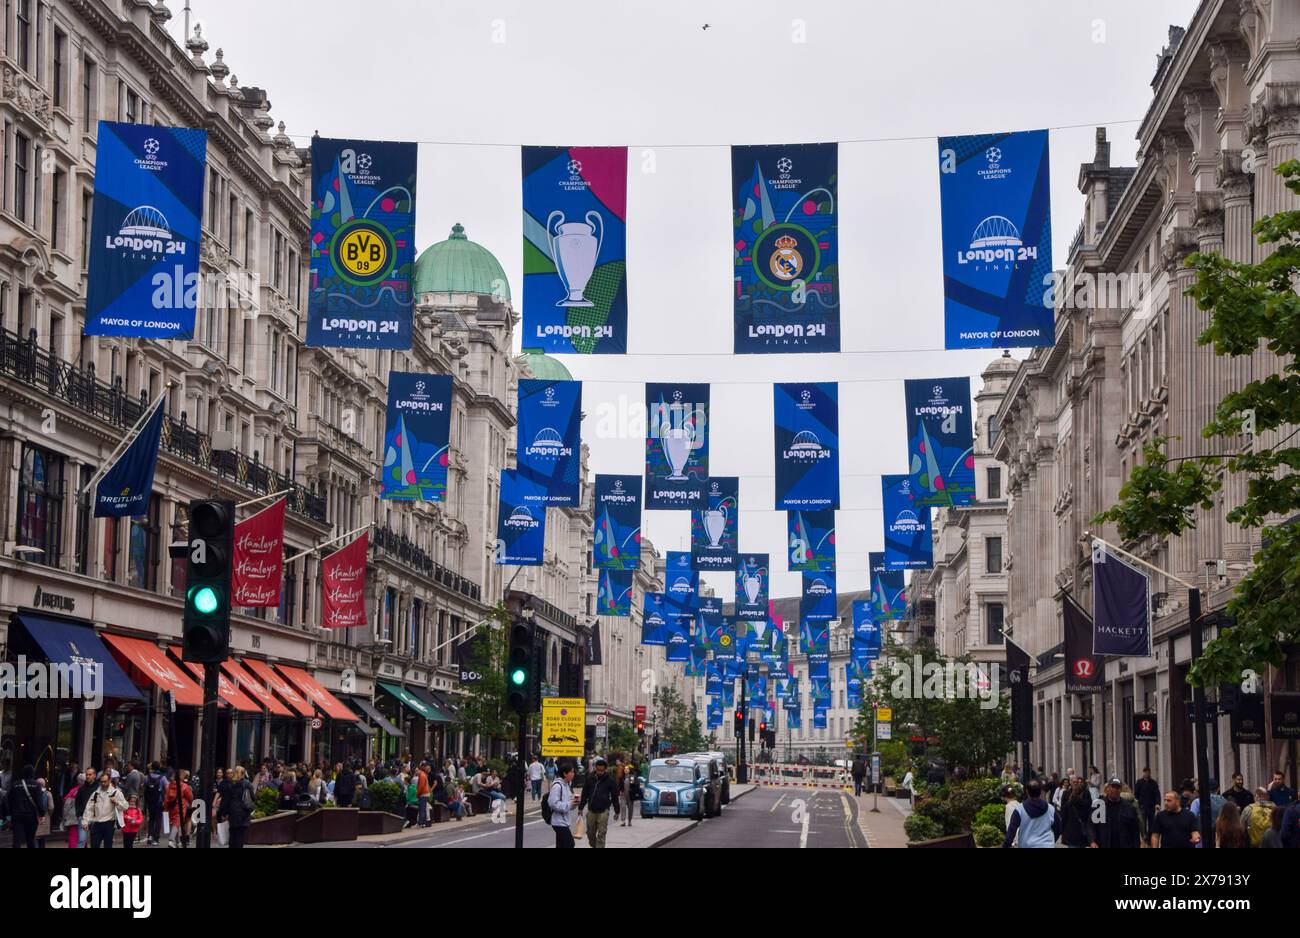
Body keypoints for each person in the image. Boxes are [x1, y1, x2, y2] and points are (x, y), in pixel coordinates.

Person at [1002, 780, 1060, 848]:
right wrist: (1050, 841)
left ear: (1027, 791)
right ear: (1041, 791)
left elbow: (1011, 831)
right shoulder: (1051, 809)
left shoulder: (1019, 810)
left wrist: (1006, 846)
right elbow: (1058, 829)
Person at [578, 757, 620, 848]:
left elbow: (615, 797)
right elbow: (584, 793)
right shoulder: (590, 779)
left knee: (601, 833)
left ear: (605, 770)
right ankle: (595, 846)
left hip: (603, 810)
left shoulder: (610, 780)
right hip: (592, 810)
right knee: (590, 833)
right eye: (598, 770)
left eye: (601, 770)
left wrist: (617, 811)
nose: (599, 772)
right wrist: (581, 807)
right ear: (595, 769)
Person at [81, 770, 128, 848]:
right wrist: (85, 822)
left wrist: (116, 802)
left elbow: (126, 806)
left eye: (105, 781)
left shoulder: (116, 792)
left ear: (109, 781)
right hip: (96, 823)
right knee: (94, 845)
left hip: (109, 824)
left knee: (108, 846)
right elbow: (89, 808)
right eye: (101, 781)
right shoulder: (96, 793)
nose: (103, 783)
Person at [7, 766, 47, 848]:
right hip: (31, 816)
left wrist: (9, 814)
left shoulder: (15, 784)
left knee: (16, 840)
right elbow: (39, 802)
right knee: (30, 839)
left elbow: (9, 800)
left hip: (17, 815)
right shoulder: (36, 785)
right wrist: (42, 814)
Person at [1094, 779, 1140, 848]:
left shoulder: (1129, 807)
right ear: (1108, 788)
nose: (1115, 790)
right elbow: (1092, 826)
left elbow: (1135, 831)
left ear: (1120, 790)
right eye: (1113, 787)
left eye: (1117, 787)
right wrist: (1092, 841)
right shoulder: (1100, 806)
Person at [548, 761, 579, 848]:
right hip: (558, 822)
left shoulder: (566, 786)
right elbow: (553, 803)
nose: (573, 774)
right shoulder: (557, 786)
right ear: (565, 773)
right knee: (570, 844)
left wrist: (574, 803)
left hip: (564, 821)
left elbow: (569, 804)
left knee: (562, 845)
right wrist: (569, 804)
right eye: (571, 772)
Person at [1059, 777, 1095, 848]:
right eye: (1074, 782)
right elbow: (1063, 811)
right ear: (1070, 783)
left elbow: (1088, 806)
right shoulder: (1066, 793)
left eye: (1077, 782)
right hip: (1070, 827)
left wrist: (1076, 800)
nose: (1075, 784)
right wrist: (1062, 829)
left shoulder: (1085, 793)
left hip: (1081, 826)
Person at [224, 766, 255, 849]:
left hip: (233, 812)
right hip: (243, 812)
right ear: (243, 774)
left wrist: (224, 812)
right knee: (240, 836)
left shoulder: (230, 783)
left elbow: (227, 799)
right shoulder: (248, 784)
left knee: (233, 834)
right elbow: (253, 798)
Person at [164, 769, 194, 848]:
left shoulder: (170, 785)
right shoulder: (184, 786)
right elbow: (190, 797)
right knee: (177, 823)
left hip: (170, 807)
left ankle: (177, 842)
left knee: (175, 824)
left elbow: (166, 797)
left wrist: (166, 808)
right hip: (180, 808)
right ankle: (171, 840)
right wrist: (192, 804)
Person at [1134, 767, 1161, 846]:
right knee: (1143, 823)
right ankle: (1144, 836)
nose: (1147, 774)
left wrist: (1157, 803)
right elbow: (1136, 794)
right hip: (1142, 806)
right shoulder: (1139, 782)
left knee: (1152, 822)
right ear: (1143, 773)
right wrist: (1137, 804)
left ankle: (1149, 837)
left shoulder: (1153, 783)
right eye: (1145, 772)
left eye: (1148, 772)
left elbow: (1157, 794)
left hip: (1151, 806)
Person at [142, 762, 165, 846]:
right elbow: (168, 787)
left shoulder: (147, 777)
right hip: (159, 802)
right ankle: (156, 838)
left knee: (151, 819)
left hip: (150, 802)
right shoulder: (162, 778)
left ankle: (150, 836)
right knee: (158, 820)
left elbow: (143, 787)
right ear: (159, 768)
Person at [619, 760, 638, 826]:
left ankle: (629, 820)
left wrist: (630, 778)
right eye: (625, 769)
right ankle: (623, 821)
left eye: (627, 769)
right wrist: (620, 791)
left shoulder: (632, 777)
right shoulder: (622, 777)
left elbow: (633, 785)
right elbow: (619, 786)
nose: (626, 770)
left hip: (630, 794)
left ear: (630, 770)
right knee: (623, 807)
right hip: (623, 794)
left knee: (630, 808)